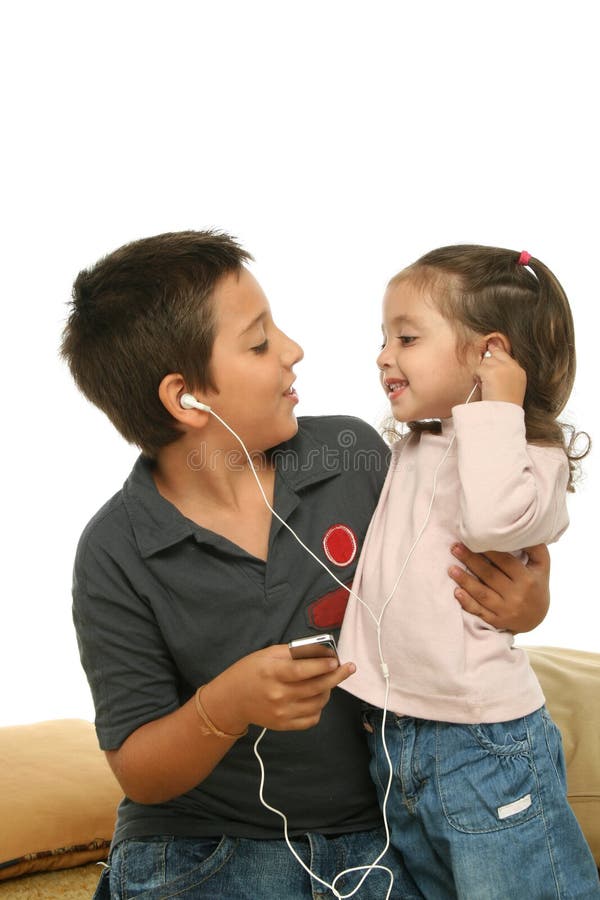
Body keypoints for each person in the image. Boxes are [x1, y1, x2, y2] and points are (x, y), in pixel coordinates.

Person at [61, 232, 552, 900]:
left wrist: (531, 601)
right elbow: (140, 772)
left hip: (373, 834)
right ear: (187, 400)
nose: (293, 349)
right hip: (199, 845)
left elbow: (481, 553)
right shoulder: (115, 550)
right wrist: (224, 706)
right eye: (260, 342)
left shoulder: (353, 452)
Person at [338, 244, 599, 898]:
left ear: (492, 354)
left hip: (483, 745)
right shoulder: (416, 445)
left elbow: (489, 520)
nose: (383, 355)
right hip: (398, 740)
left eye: (406, 337)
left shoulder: (532, 458)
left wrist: (497, 403)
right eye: (383, 338)